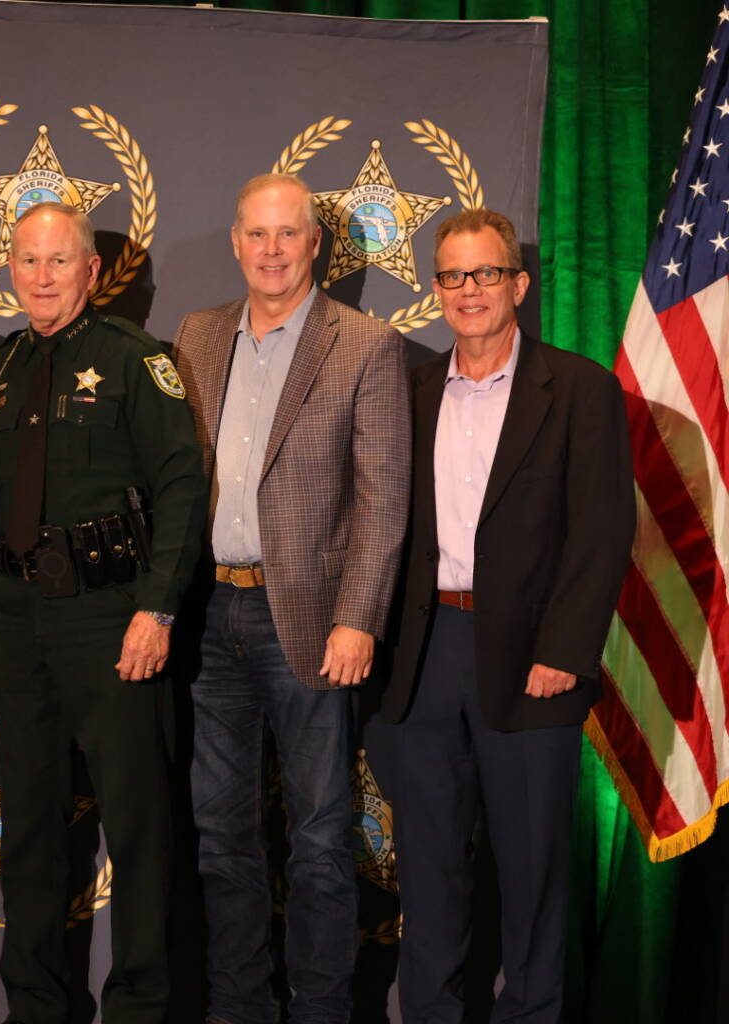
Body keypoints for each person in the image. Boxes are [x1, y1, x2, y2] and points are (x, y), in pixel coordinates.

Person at [0, 201, 206, 1024]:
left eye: (59, 261)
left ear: (92, 272)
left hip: (111, 616)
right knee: (27, 825)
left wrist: (158, 611)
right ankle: (34, 1006)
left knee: (137, 826)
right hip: (16, 621)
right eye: (27, 261)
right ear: (9, 269)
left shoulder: (137, 359)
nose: (42, 277)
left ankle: (140, 1006)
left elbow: (181, 487)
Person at [381, 208, 633, 1023]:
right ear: (436, 290)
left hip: (533, 660)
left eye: (486, 273)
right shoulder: (411, 388)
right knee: (427, 873)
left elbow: (602, 530)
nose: (469, 291)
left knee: (531, 875)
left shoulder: (580, 387)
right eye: (452, 276)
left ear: (517, 285)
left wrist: (565, 649)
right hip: (424, 659)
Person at [171, 172, 409, 1024]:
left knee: (316, 842)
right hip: (208, 620)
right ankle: (239, 1010)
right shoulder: (195, 335)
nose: (271, 251)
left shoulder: (366, 344)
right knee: (223, 840)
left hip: (307, 621)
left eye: (288, 235)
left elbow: (383, 499)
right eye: (257, 235)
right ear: (236, 242)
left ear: (315, 244)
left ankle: (320, 1011)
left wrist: (358, 617)